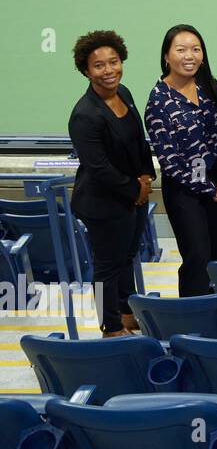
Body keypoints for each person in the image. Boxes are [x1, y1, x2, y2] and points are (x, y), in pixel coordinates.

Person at [68, 31, 155, 336]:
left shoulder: (125, 93)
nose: (108, 71)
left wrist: (146, 176)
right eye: (99, 66)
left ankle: (125, 311)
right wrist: (136, 190)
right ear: (86, 70)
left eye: (113, 62)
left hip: (133, 196)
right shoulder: (84, 115)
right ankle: (110, 326)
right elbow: (98, 168)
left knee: (127, 257)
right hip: (103, 203)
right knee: (107, 267)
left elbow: (137, 140)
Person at [144, 25, 217, 297]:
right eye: (180, 50)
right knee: (197, 255)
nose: (189, 56)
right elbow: (171, 163)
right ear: (166, 57)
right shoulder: (158, 101)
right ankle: (193, 322)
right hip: (186, 191)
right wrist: (211, 188)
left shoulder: (211, 88)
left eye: (195, 49)